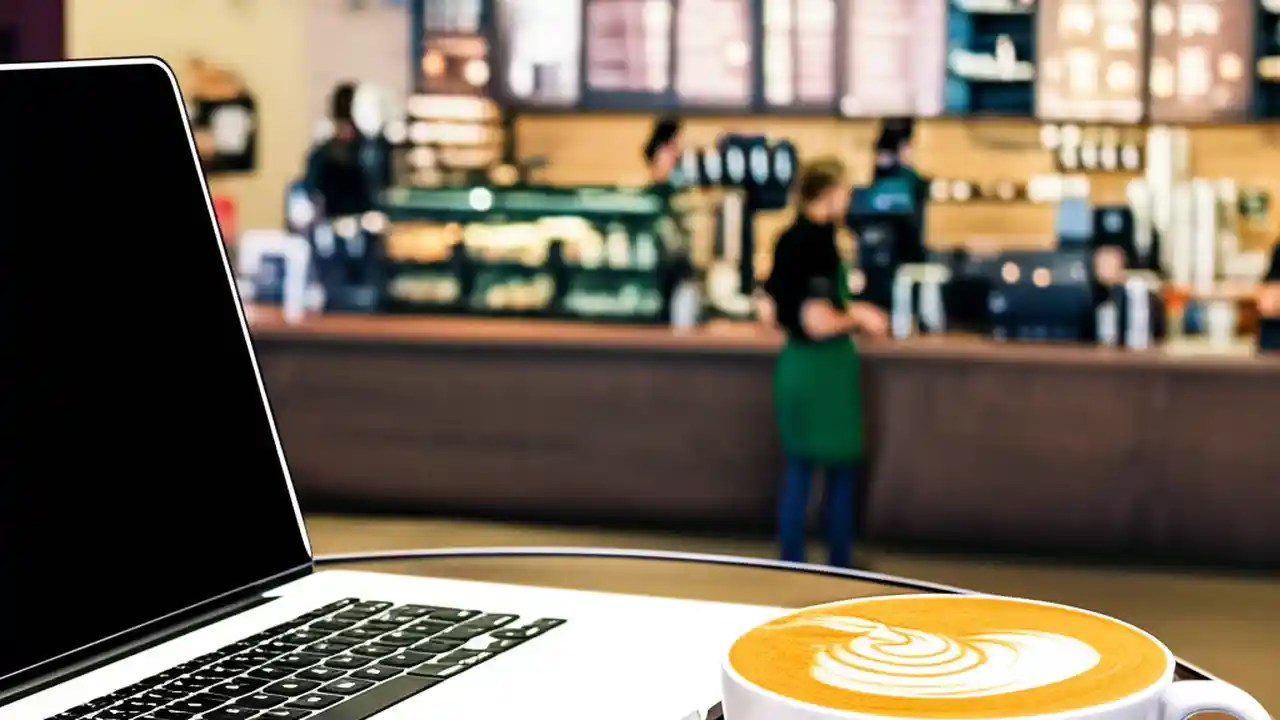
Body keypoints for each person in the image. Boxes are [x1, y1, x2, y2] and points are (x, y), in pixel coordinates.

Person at [763, 157, 889, 568]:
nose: (848, 200)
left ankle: (792, 560)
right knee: (839, 471)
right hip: (824, 370)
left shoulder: (785, 239)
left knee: (799, 469)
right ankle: (839, 564)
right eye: (846, 192)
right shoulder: (819, 242)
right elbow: (816, 321)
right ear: (830, 192)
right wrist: (860, 316)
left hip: (794, 365)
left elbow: (769, 310)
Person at [643, 115, 683, 195]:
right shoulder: (664, 152)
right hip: (661, 189)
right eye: (677, 135)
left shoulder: (670, 151)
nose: (679, 138)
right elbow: (662, 175)